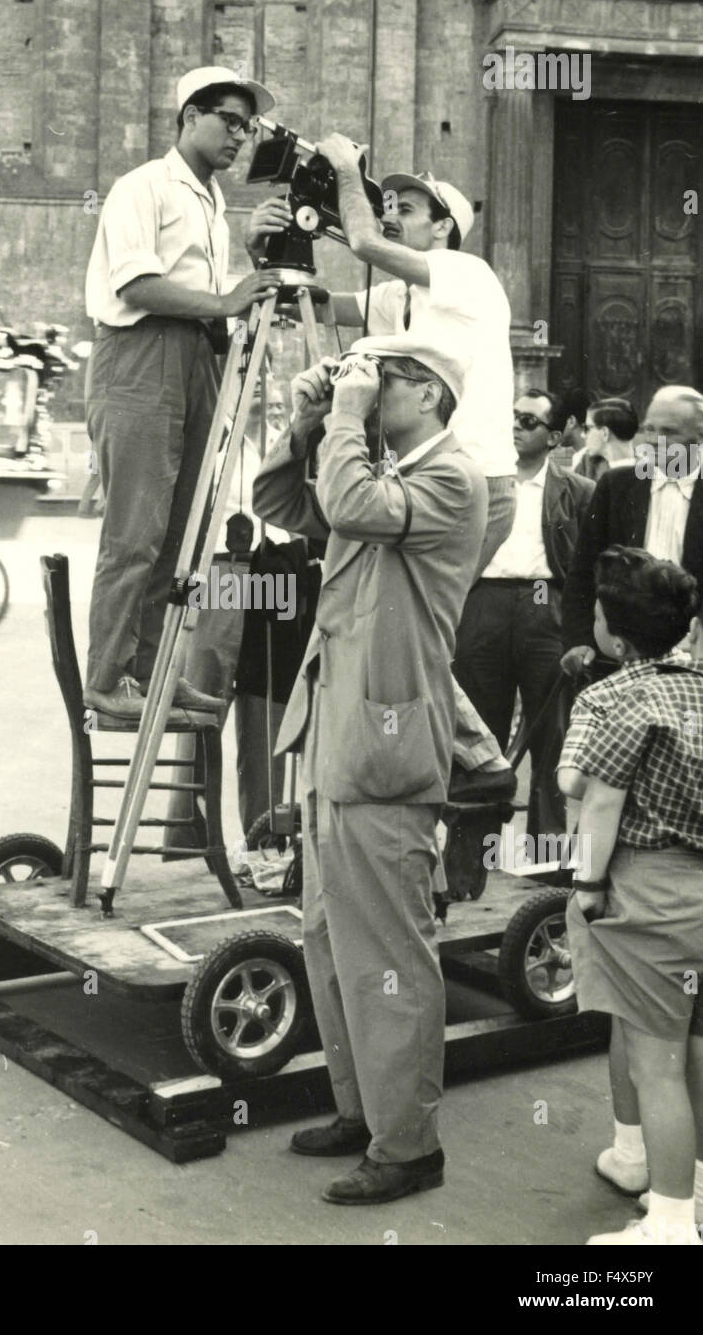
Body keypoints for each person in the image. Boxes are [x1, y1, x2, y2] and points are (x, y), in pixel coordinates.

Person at [252, 333, 487, 1205]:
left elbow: (349, 505)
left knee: (386, 951)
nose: (364, 389)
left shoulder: (449, 478)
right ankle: (365, 1112)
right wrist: (313, 417)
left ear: (423, 391)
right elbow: (282, 497)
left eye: (377, 378)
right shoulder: (379, 469)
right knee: (328, 942)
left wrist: (345, 419)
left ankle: (408, 1146)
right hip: (336, 735)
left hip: (384, 747)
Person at [252, 150, 516, 799]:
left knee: (406, 636)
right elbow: (315, 302)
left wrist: (345, 170)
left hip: (467, 483)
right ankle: (459, 765)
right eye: (387, 203)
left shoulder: (467, 275)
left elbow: (363, 241)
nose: (390, 216)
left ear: (444, 228)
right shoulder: (401, 300)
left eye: (406, 208)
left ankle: (456, 766)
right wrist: (270, 252)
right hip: (416, 482)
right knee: (384, 632)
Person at [81, 65, 281, 719]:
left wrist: (245, 274)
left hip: (193, 357)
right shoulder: (143, 186)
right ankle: (106, 678)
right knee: (135, 531)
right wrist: (223, 299)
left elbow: (213, 301)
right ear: (188, 116)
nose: (238, 137)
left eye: (246, 127)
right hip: (140, 355)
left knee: (179, 537)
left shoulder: (213, 204)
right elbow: (135, 284)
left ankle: (149, 676)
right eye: (228, 120)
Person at [558, 546, 703, 1245]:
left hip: (648, 889)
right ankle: (682, 1182)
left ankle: (671, 1224)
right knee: (689, 1046)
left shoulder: (616, 698)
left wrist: (586, 887)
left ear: (614, 636)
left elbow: (595, 803)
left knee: (657, 1063)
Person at [454, 388, 594, 836]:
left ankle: (547, 849)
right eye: (513, 417)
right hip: (484, 602)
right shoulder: (479, 481)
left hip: (543, 604)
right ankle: (474, 846)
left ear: (554, 438)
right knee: (479, 727)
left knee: (550, 733)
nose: (516, 426)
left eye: (529, 421)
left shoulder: (576, 491)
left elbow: (587, 563)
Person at [562, 385, 703, 680]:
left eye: (669, 432)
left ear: (699, 437)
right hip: (620, 656)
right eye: (649, 429)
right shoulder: (616, 486)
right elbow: (583, 571)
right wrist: (579, 641)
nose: (653, 441)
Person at [579, 398, 638, 482]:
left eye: (587, 428)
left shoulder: (648, 471)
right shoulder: (587, 464)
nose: (583, 435)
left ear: (605, 433)